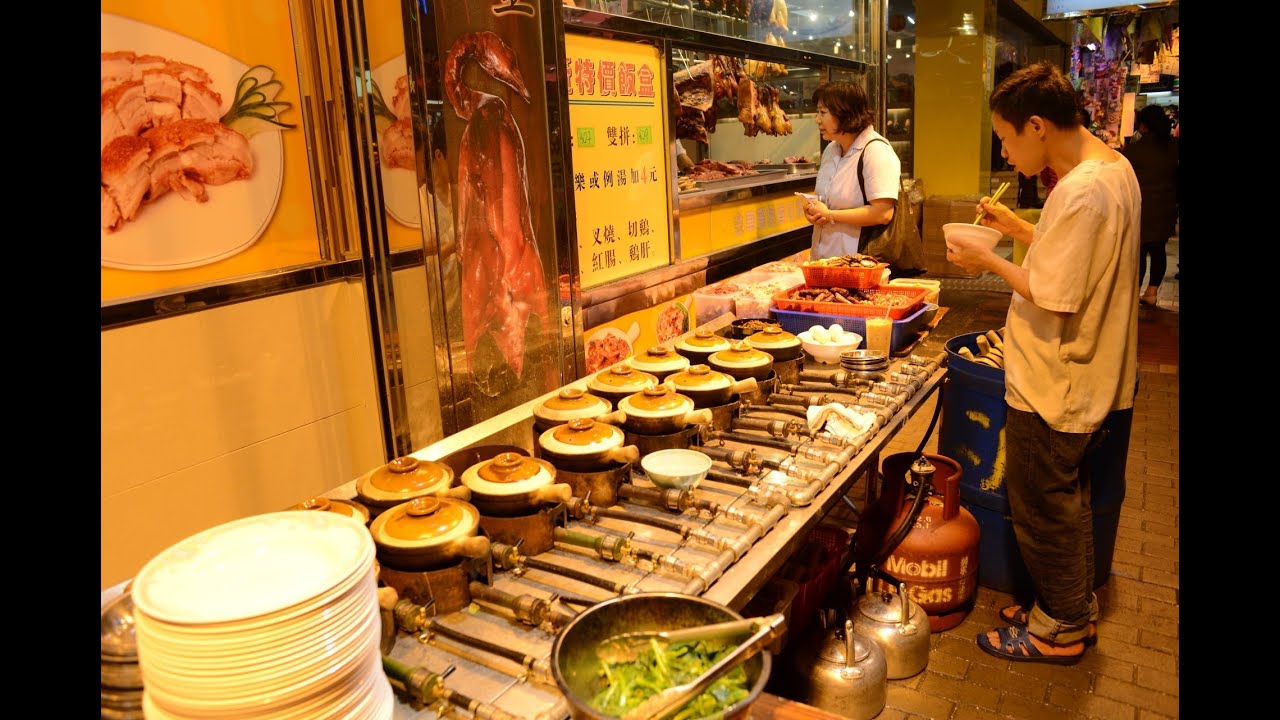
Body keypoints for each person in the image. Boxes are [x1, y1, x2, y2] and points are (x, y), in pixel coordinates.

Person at [944, 62, 1141, 665]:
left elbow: (1054, 294)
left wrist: (986, 261)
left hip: (1060, 379)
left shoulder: (1081, 190)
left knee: (1044, 510)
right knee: (1067, 502)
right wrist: (1017, 229)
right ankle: (1071, 606)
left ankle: (1058, 630)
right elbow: (1075, 255)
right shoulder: (1112, 168)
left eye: (1006, 138)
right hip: (1087, 374)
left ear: (1037, 125)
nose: (1005, 153)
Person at [803, 80, 901, 260]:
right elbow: (828, 200)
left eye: (823, 112)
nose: (817, 119)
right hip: (825, 258)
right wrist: (814, 211)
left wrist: (830, 215)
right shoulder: (831, 149)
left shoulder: (875, 150)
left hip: (859, 262)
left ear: (845, 113)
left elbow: (883, 213)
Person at [1123, 104, 1179, 306]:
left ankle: (1134, 291)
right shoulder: (1174, 147)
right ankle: (1152, 292)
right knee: (1158, 249)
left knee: (1138, 251)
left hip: (1140, 207)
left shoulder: (1133, 150)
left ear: (1144, 126)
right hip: (1165, 206)